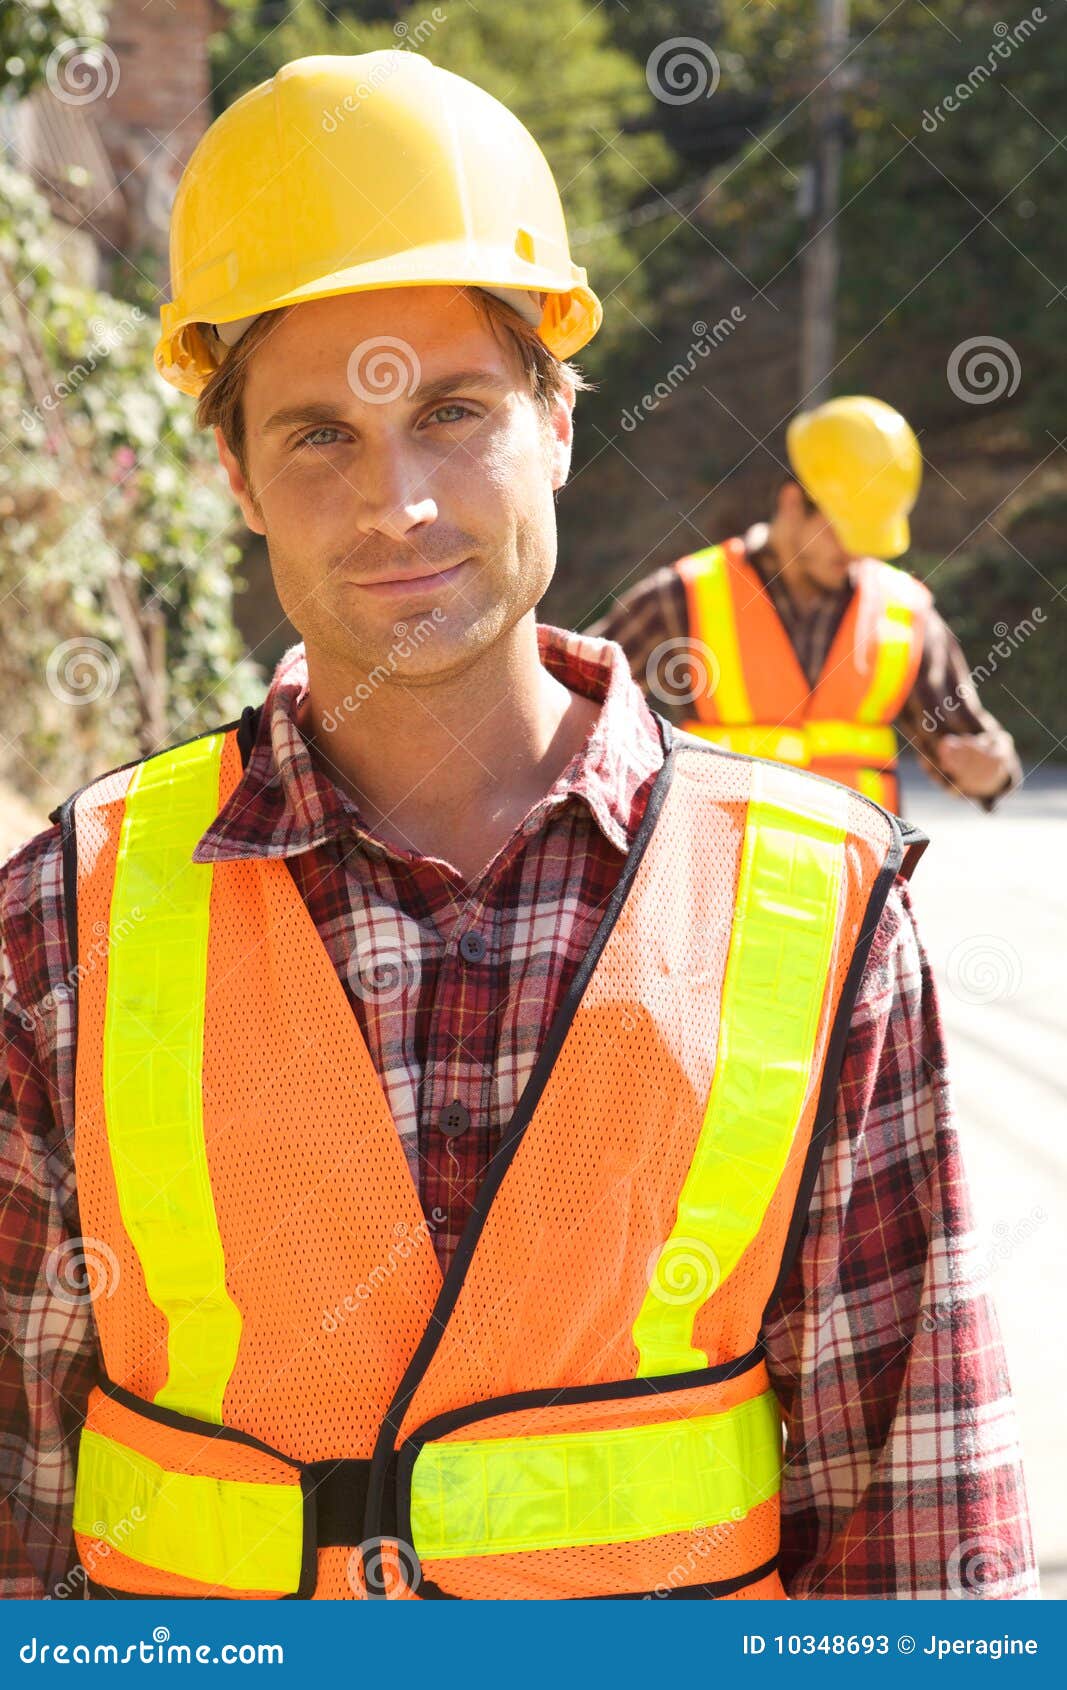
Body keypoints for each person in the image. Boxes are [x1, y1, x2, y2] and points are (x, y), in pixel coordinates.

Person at [0, 51, 1036, 1602]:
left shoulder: (821, 921)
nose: (397, 501)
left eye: (453, 410)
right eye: (319, 437)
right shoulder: (63, 920)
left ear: (558, 417)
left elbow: (911, 1534)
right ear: (233, 472)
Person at [586, 396, 1021, 813]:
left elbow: (980, 755)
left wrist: (989, 770)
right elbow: (573, 695)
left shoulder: (904, 614)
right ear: (793, 502)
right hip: (712, 878)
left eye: (867, 537)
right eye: (843, 531)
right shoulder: (684, 596)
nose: (855, 551)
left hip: (850, 885)